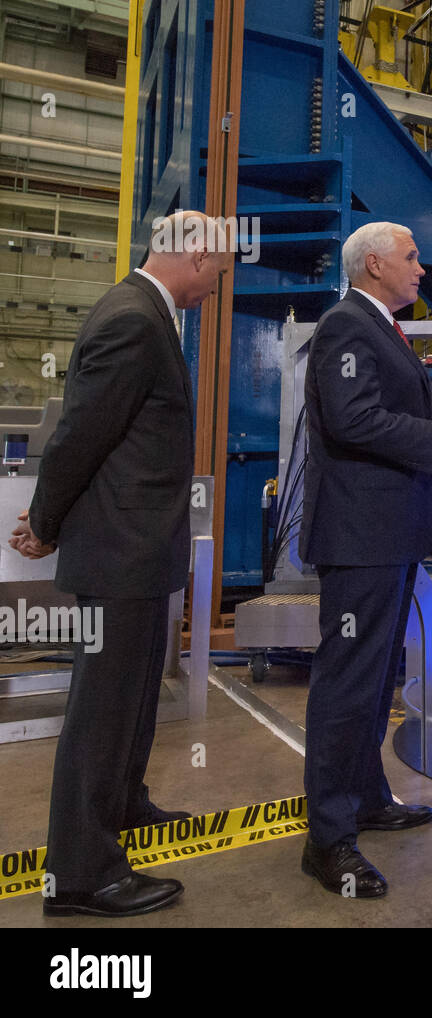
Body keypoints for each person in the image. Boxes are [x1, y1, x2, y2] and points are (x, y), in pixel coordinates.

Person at [10, 210, 230, 917]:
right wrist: (45, 522)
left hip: (137, 551)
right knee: (102, 713)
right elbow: (80, 435)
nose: (219, 281)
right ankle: (81, 876)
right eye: (218, 267)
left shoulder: (147, 314)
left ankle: (124, 807)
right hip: (118, 552)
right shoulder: (134, 318)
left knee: (132, 702)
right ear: (193, 257)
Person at [299, 221, 432, 897]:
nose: (422, 269)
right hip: (361, 538)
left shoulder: (376, 327)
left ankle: (365, 798)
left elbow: (369, 413)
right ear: (374, 265)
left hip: (385, 537)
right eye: (411, 257)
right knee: (347, 685)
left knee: (372, 682)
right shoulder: (347, 326)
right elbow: (352, 420)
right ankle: (328, 840)